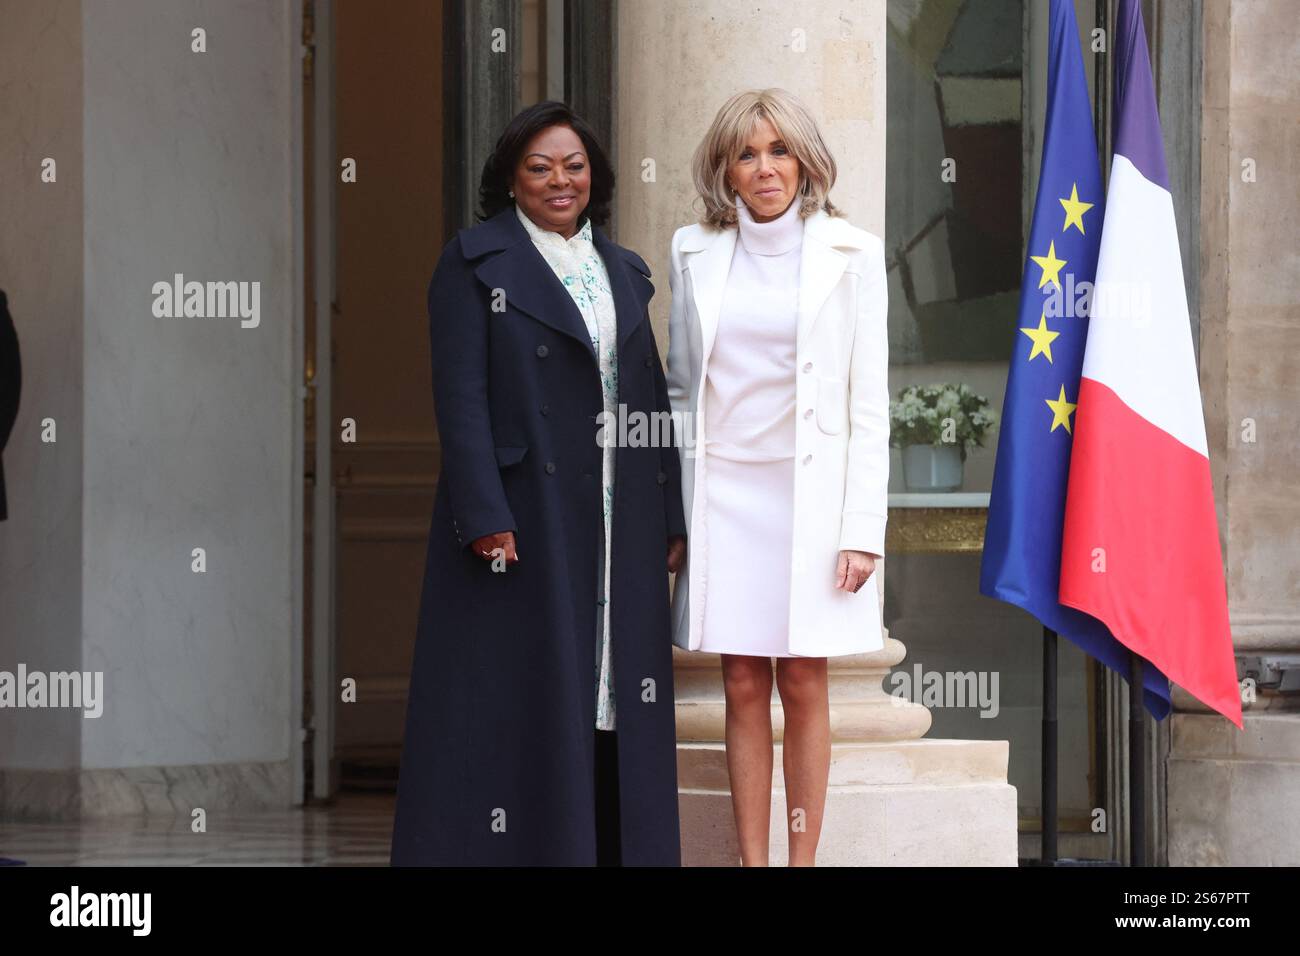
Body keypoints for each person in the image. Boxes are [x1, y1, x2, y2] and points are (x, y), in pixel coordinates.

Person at [391, 101, 687, 866]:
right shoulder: (473, 261)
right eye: (540, 167)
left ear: (596, 175)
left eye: (575, 165)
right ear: (511, 179)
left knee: (614, 697)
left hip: (621, 518)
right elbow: (459, 401)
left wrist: (671, 514)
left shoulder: (624, 270)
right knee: (521, 700)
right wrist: (484, 513)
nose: (561, 180)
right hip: (524, 520)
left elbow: (649, 396)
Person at [666, 89, 890, 866]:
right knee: (738, 684)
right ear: (725, 168)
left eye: (780, 151)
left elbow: (871, 403)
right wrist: (675, 509)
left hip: (813, 499)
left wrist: (863, 530)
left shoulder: (854, 254)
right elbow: (677, 385)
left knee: (802, 681)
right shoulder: (691, 248)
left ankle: (803, 862)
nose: (765, 168)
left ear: (806, 162)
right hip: (724, 493)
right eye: (747, 153)